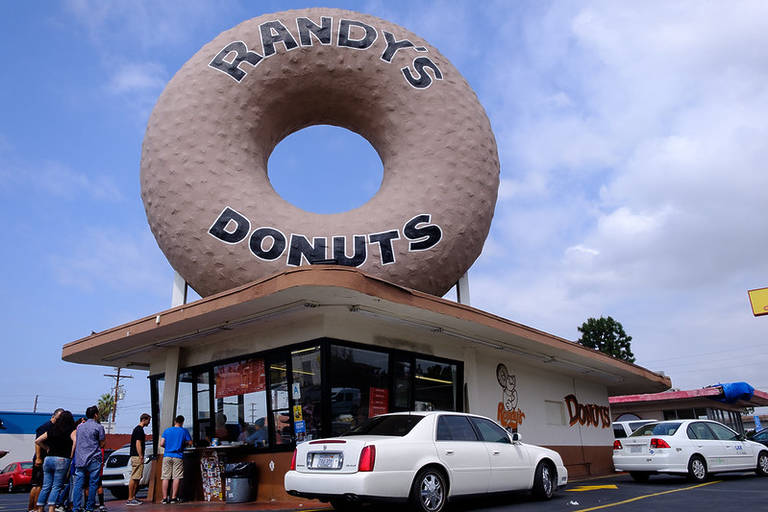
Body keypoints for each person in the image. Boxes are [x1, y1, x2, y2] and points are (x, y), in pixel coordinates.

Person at [34, 411, 76, 512]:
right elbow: (75, 441)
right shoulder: (71, 430)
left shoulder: (52, 429)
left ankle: (40, 508)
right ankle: (51, 508)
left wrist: (47, 448)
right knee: (56, 486)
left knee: (46, 486)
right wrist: (71, 454)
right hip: (62, 459)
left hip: (48, 459)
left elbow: (37, 441)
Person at [29, 409, 64, 512]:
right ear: (54, 416)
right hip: (41, 459)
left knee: (38, 484)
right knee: (39, 485)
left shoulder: (54, 428)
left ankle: (32, 508)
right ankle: (35, 508)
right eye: (59, 418)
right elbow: (37, 442)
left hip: (45, 459)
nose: (60, 420)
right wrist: (39, 457)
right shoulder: (46, 427)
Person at [72, 406, 105, 512]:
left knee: (78, 484)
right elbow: (102, 443)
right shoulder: (99, 427)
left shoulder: (80, 427)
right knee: (93, 483)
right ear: (95, 414)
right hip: (94, 458)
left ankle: (76, 507)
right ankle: (89, 507)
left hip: (80, 458)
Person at [160, 415, 192, 504]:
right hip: (178, 456)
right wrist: (183, 444)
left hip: (167, 455)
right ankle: (174, 498)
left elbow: (161, 443)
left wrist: (168, 446)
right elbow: (190, 442)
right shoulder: (184, 431)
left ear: (175, 421)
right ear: (182, 422)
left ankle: (165, 498)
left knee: (165, 477)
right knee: (176, 477)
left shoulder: (167, 430)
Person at [126, 413, 151, 506]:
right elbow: (138, 443)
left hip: (136, 456)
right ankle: (130, 498)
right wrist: (140, 456)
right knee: (135, 477)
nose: (149, 422)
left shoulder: (137, 429)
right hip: (136, 456)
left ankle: (133, 496)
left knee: (137, 477)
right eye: (148, 420)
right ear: (144, 419)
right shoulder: (139, 430)